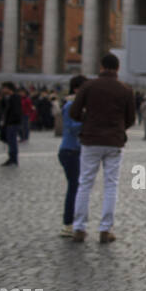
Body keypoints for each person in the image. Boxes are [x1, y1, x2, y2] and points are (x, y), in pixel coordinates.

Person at [70, 53, 137, 242]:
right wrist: (116, 127)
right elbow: (131, 119)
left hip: (90, 139)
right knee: (111, 185)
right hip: (114, 141)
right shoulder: (125, 89)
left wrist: (89, 121)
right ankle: (105, 229)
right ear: (117, 68)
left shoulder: (88, 86)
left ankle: (79, 227)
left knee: (85, 183)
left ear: (101, 67)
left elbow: (74, 112)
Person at [58, 75, 87, 238]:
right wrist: (89, 120)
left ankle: (75, 221)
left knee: (78, 187)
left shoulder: (80, 105)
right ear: (76, 89)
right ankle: (68, 223)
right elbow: (72, 127)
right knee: (74, 187)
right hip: (69, 151)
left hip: (78, 151)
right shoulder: (70, 105)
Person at [0, 81, 22, 166]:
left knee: (12, 141)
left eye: (4, 88)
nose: (2, 90)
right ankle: (11, 158)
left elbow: (16, 111)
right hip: (9, 122)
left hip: (12, 123)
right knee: (10, 140)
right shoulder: (8, 98)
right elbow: (2, 108)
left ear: (8, 88)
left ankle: (13, 158)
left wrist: (12, 121)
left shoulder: (15, 97)